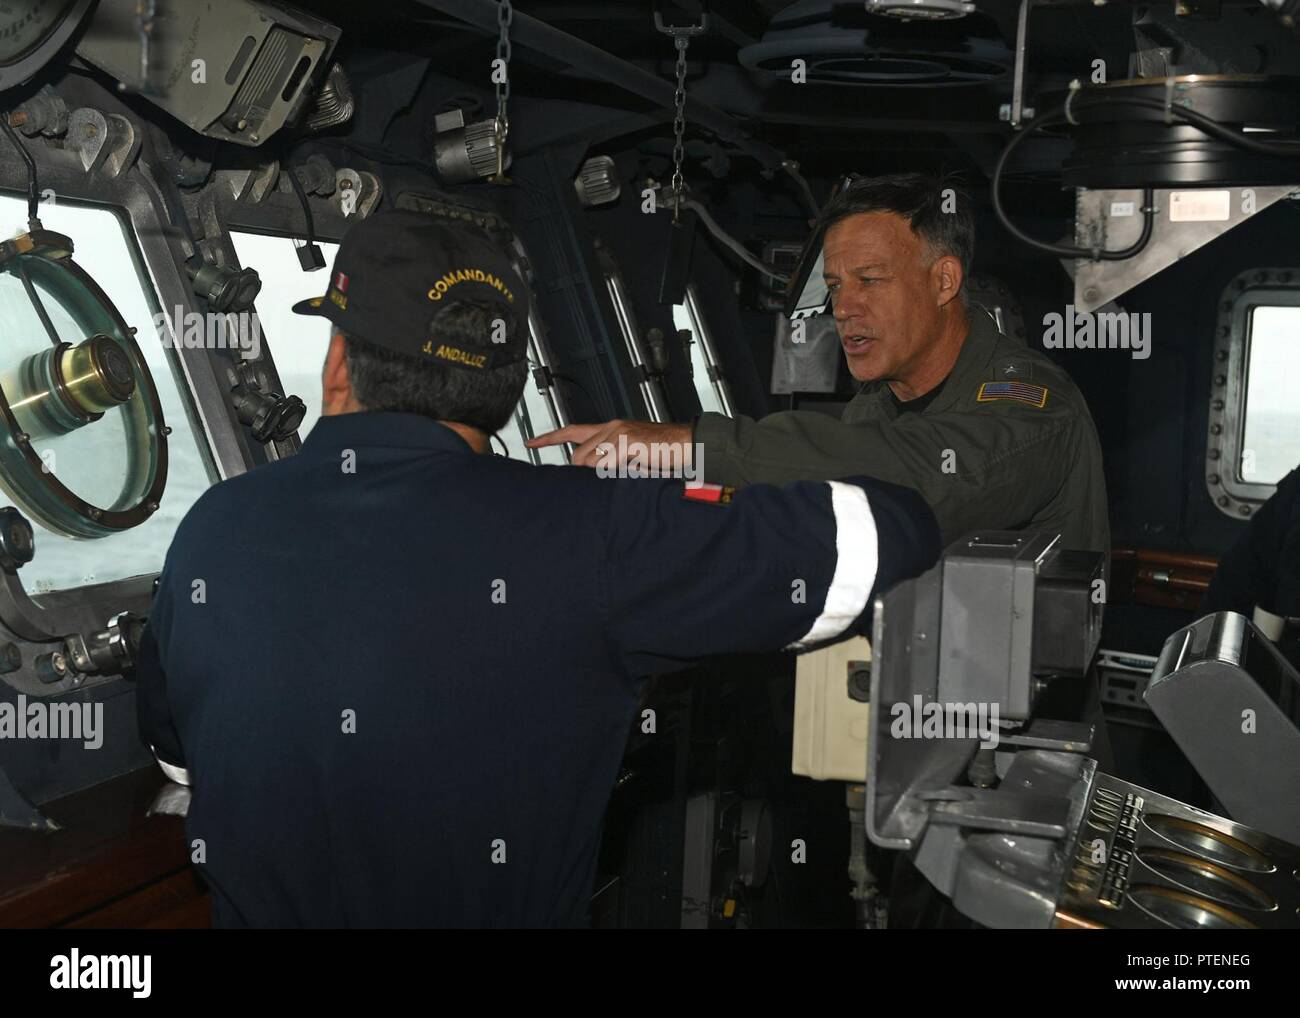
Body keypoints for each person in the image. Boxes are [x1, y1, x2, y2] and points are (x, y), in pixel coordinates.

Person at [133, 209, 941, 928]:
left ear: (340, 365)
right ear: (508, 386)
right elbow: (886, 536)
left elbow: (182, 758)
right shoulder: (594, 527)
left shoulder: (211, 528)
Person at [529, 172, 1109, 557]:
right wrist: (688, 494)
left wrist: (691, 445)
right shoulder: (874, 407)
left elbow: (921, 481)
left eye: (871, 281)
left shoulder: (1035, 406)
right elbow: (801, 501)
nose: (844, 308)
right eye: (834, 285)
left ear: (943, 281)